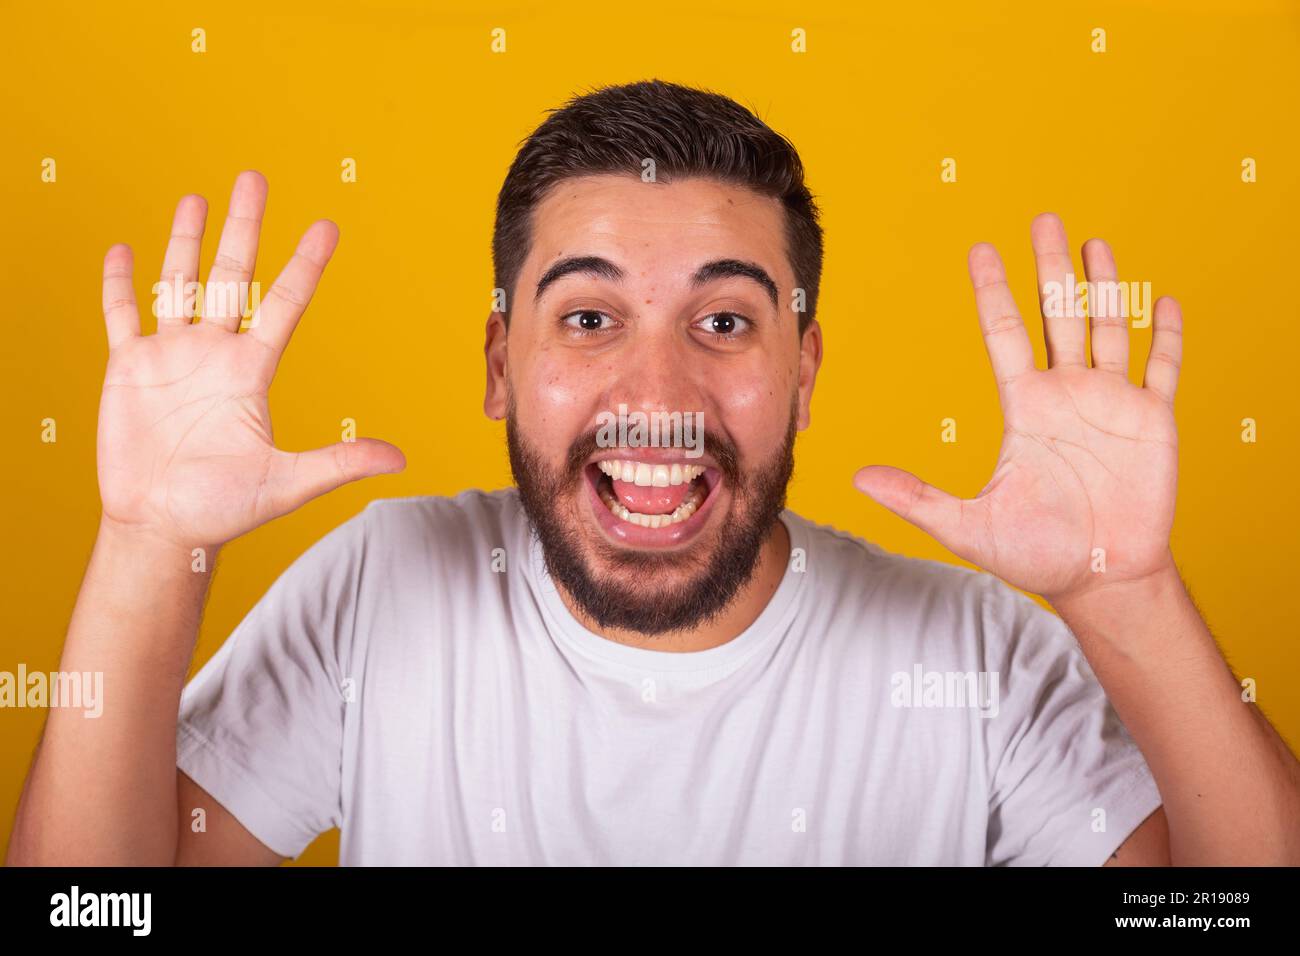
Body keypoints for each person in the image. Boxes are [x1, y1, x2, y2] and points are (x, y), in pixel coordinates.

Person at [9, 80, 1299, 866]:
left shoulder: (971, 653)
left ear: (802, 370)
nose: (658, 398)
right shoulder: (384, 589)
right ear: (501, 368)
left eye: (725, 321)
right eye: (586, 317)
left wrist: (1125, 596)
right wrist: (143, 544)